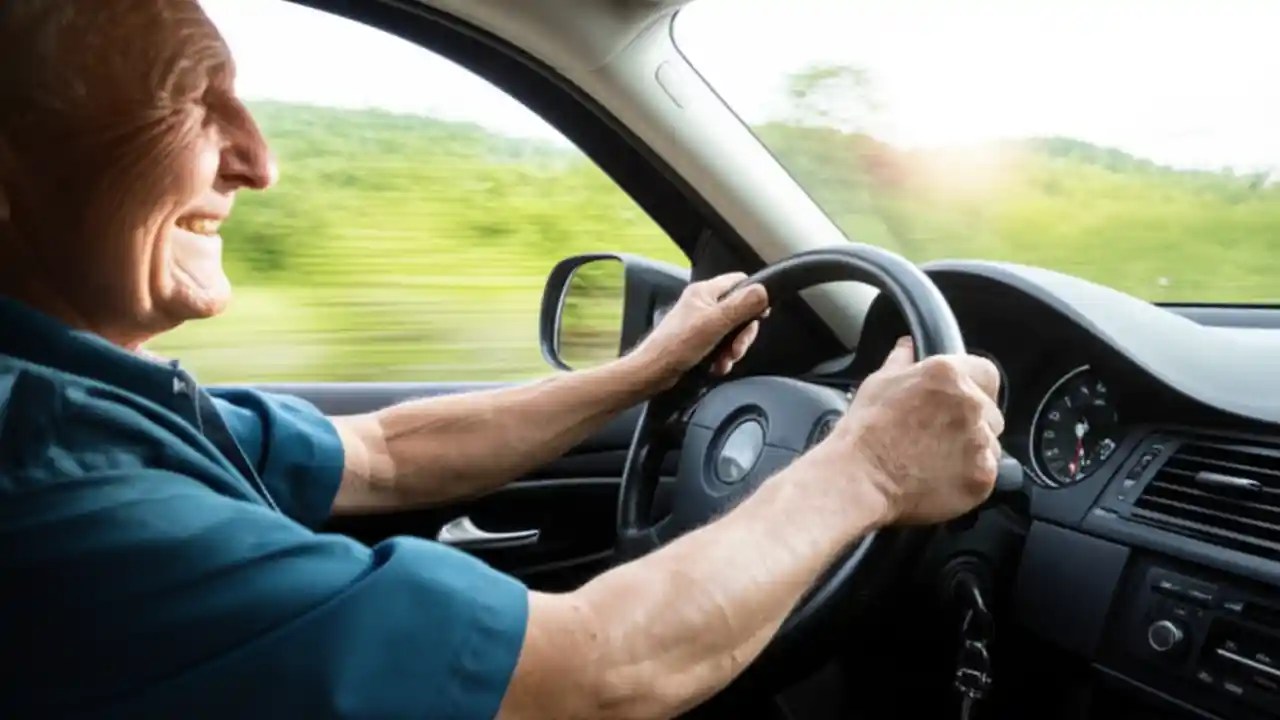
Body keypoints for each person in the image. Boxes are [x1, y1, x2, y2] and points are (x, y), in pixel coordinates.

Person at [0, 2, 1005, 719]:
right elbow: (592, 677)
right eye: (190, 102)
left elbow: (385, 454)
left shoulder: (82, 396)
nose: (258, 161)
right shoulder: (46, 479)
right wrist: (867, 466)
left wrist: (646, 370)